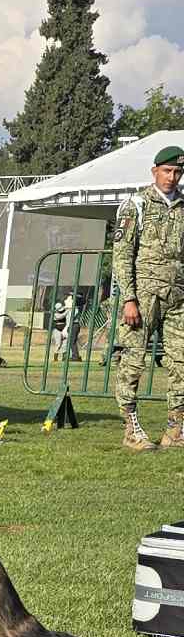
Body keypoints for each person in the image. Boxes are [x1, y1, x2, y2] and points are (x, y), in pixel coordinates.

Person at [112, 144, 184, 450]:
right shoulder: (137, 205)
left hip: (178, 297)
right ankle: (131, 427)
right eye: (167, 170)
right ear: (154, 171)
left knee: (181, 361)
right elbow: (122, 254)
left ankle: (175, 429)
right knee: (133, 360)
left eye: (178, 171)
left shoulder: (183, 206)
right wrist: (128, 298)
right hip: (142, 297)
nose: (172, 177)